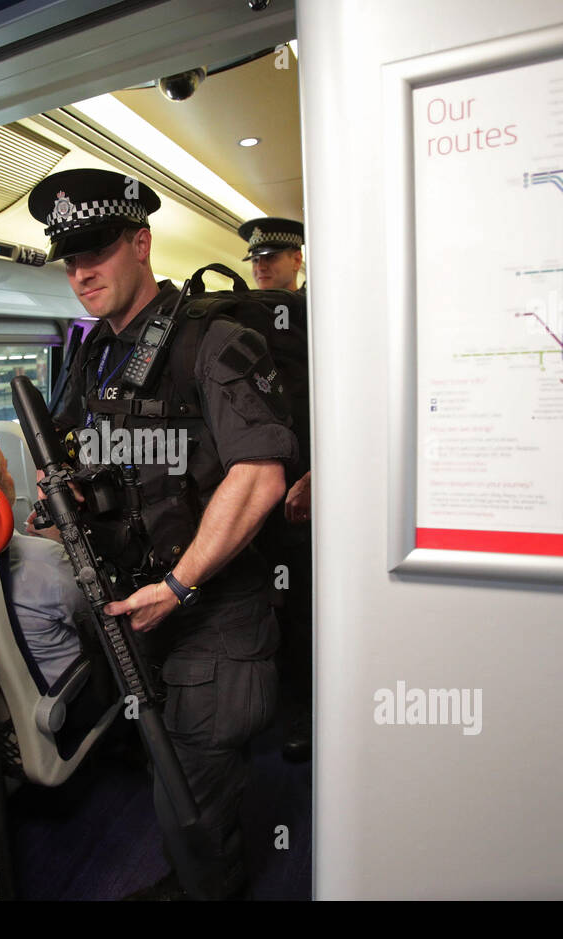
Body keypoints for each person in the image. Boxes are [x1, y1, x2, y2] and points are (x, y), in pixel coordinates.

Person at [27, 168, 298, 900]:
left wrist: (180, 584)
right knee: (167, 759)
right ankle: (195, 875)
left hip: (212, 610)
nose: (82, 272)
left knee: (198, 779)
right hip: (141, 608)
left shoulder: (212, 343)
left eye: (97, 251)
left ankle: (208, 887)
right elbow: (99, 456)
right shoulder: (92, 357)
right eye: (70, 258)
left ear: (140, 243)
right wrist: (71, 498)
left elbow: (259, 476)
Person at [238, 217, 313, 762]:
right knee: (264, 599)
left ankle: (314, 709)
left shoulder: (324, 316)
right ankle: (266, 699)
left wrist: (326, 473)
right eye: (256, 258)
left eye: (273, 257)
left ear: (297, 260)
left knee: (308, 604)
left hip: (308, 489)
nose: (262, 265)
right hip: (260, 486)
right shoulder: (239, 322)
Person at [0, 430, 84, 690]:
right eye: (6, 468)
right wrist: (63, 544)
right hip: (76, 693)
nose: (11, 476)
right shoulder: (43, 560)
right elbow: (96, 612)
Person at [238, 216, 305, 293]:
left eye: (270, 257)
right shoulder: (248, 304)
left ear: (297, 260)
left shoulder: (314, 304)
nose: (260, 267)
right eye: (255, 260)